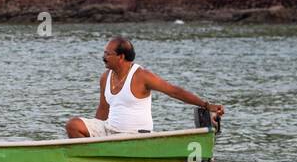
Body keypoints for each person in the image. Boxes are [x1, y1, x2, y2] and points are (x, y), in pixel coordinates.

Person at [65, 36, 226, 138]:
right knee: (73, 125)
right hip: (110, 130)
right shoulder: (105, 77)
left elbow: (174, 91)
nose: (104, 58)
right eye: (104, 53)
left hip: (135, 136)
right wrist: (94, 137)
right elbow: (103, 108)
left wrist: (206, 105)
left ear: (121, 57)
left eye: (108, 54)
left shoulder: (141, 76)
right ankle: (93, 158)